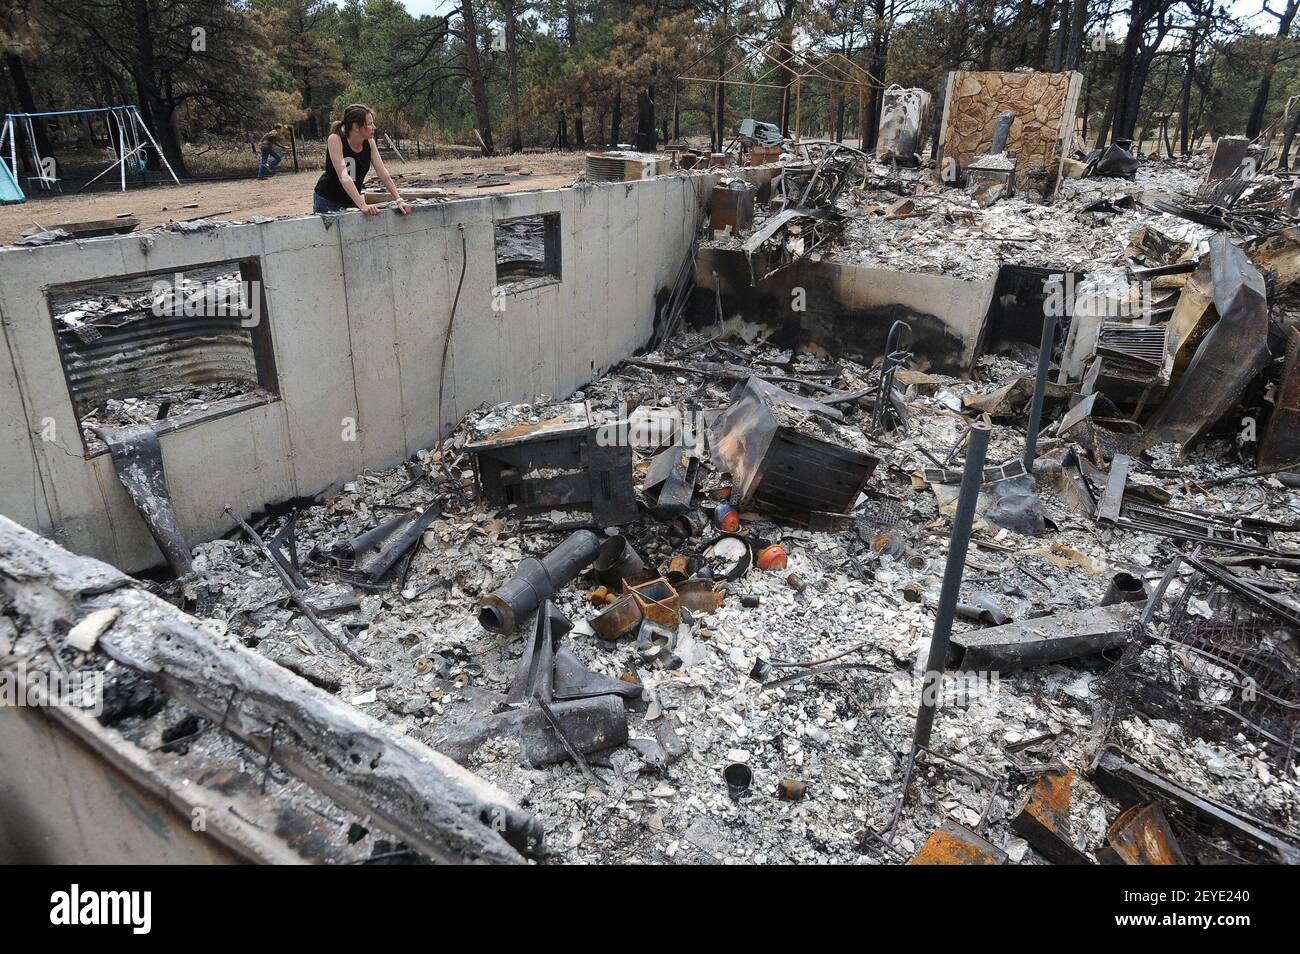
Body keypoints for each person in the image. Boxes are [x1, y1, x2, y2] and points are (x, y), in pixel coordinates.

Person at [312, 104, 411, 216]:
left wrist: (399, 199)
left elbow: (382, 171)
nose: (374, 127)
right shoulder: (335, 139)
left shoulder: (369, 142)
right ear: (356, 126)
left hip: (352, 200)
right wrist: (362, 204)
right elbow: (344, 177)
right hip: (328, 201)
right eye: (369, 124)